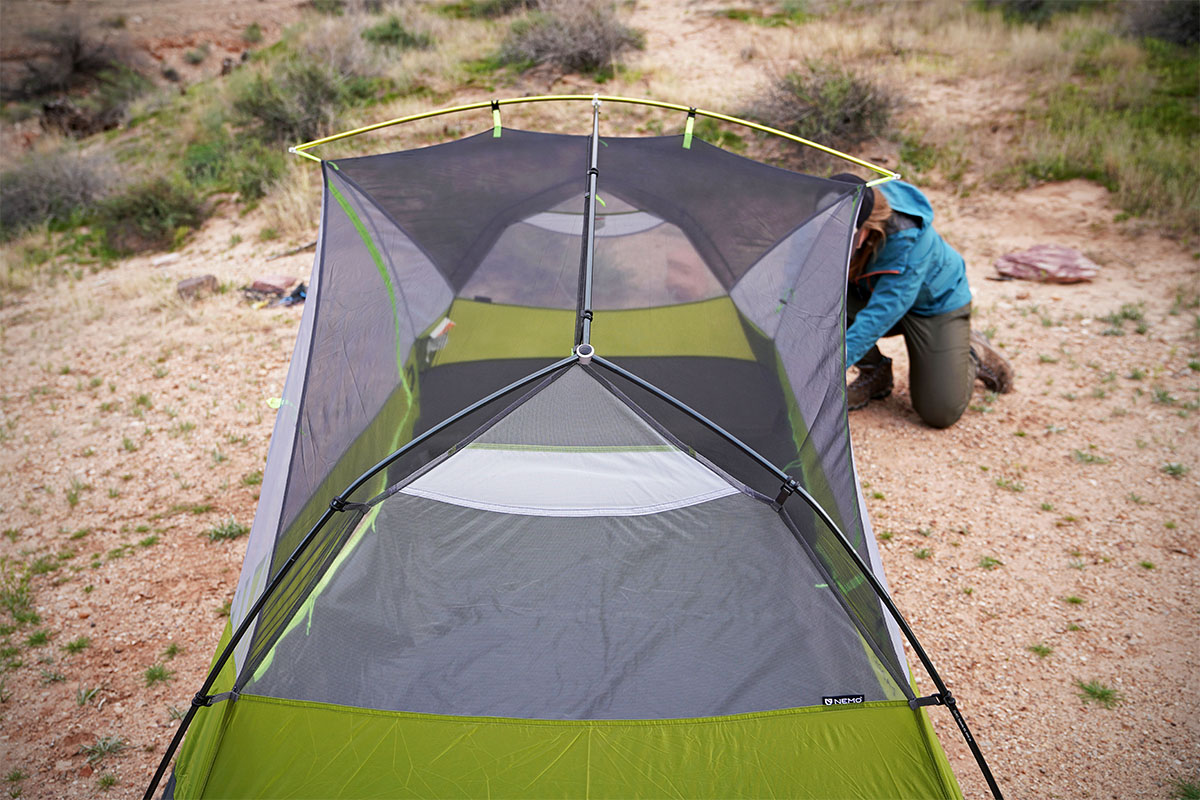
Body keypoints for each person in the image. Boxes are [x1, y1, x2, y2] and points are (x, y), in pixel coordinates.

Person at [831, 173, 1013, 428]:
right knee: (823, 305)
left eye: (847, 235)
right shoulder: (829, 214)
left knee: (940, 411)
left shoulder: (906, 235)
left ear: (868, 227)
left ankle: (972, 350)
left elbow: (882, 313)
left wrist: (829, 367)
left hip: (934, 306)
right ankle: (876, 374)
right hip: (873, 294)